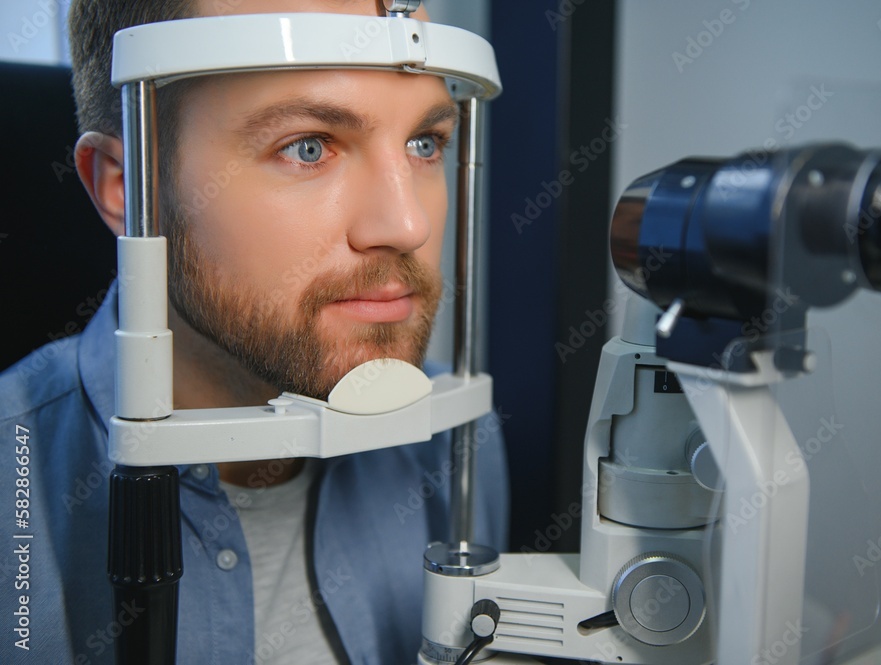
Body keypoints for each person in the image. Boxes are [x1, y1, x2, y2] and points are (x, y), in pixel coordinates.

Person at [0, 1, 509, 663]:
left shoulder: (453, 439)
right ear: (125, 185)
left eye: (424, 143)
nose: (406, 223)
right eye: (309, 147)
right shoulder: (20, 489)